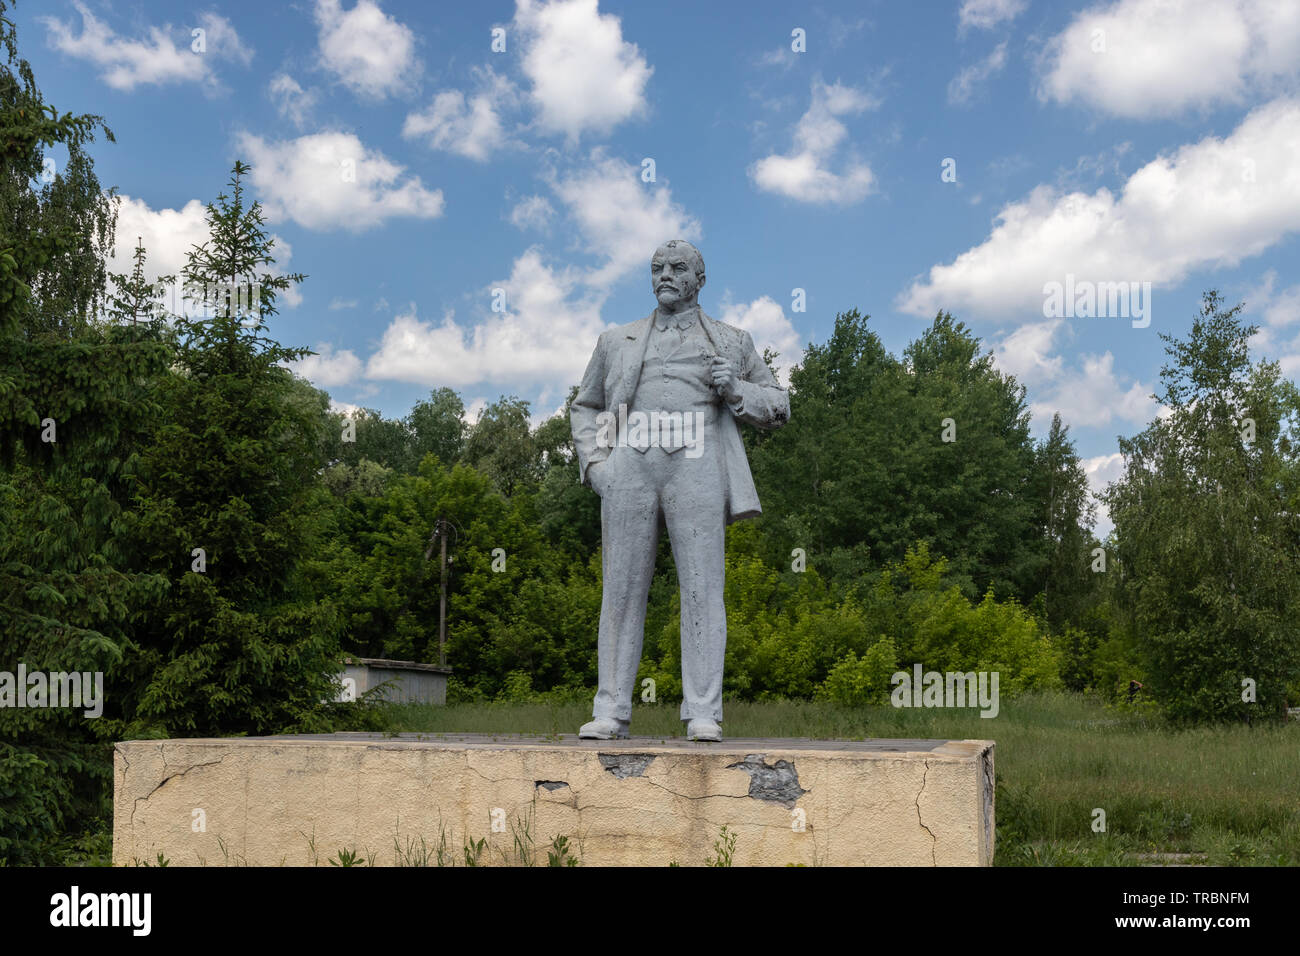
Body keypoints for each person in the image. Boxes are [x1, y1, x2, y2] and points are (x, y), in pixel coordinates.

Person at [570, 240, 790, 741]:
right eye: (656, 268)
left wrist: (735, 391)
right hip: (631, 461)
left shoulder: (733, 341)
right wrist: (597, 465)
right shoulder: (616, 339)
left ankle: (703, 711)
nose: (664, 275)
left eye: (677, 268)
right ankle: (611, 710)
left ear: (700, 279)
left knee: (702, 587)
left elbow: (779, 406)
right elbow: (586, 406)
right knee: (621, 589)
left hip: (697, 460)